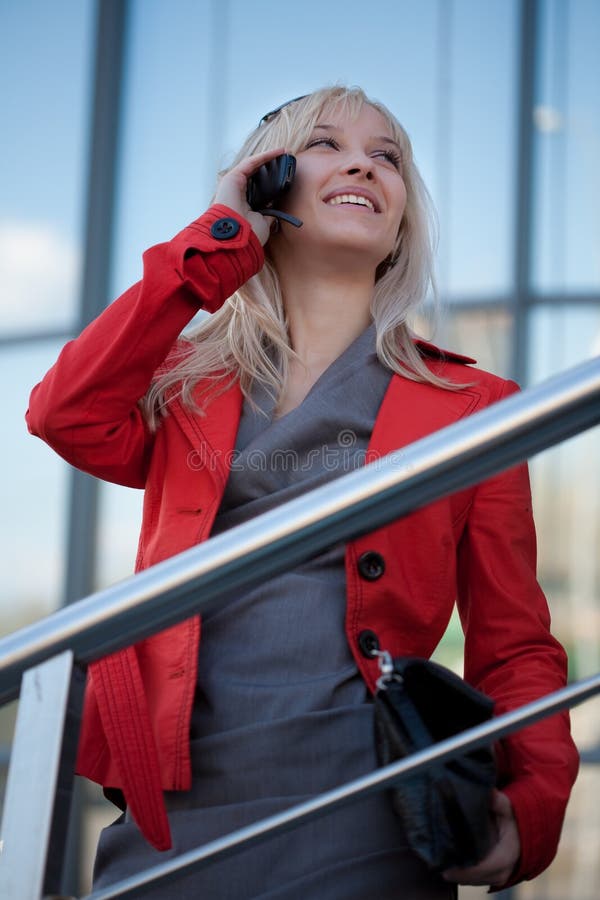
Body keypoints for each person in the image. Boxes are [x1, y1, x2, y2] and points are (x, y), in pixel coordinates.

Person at [26, 86, 578, 898]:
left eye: (387, 156)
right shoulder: (185, 385)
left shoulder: (476, 407)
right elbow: (64, 415)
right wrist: (219, 241)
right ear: (269, 181)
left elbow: (514, 639)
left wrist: (533, 801)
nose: (362, 161)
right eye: (324, 145)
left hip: (369, 795)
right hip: (174, 802)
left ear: (401, 218)